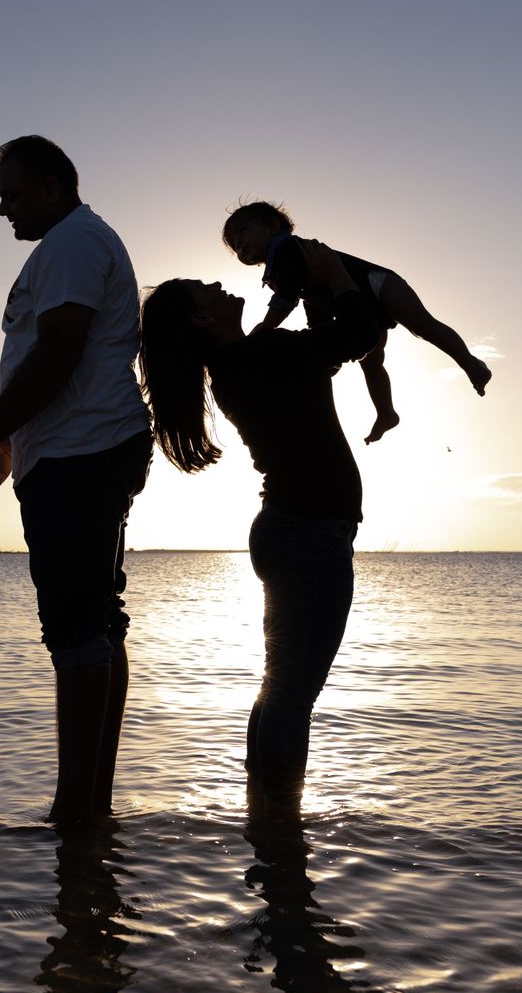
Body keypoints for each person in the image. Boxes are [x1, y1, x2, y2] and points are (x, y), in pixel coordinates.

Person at [0, 136, 151, 823]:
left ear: (53, 186)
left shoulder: (71, 243)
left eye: (13, 195)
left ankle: (75, 815)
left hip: (81, 454)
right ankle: (90, 809)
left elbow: (57, 355)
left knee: (77, 629)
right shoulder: (65, 245)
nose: (3, 211)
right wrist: (4, 440)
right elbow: (48, 360)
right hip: (75, 450)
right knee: (96, 624)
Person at [139, 242, 379, 818]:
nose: (220, 288)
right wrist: (333, 272)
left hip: (292, 532)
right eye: (207, 290)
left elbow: (325, 347)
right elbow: (360, 332)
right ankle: (280, 825)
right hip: (308, 533)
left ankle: (264, 816)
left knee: (281, 685)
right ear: (201, 318)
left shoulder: (241, 364)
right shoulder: (261, 355)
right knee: (294, 693)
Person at [222, 201, 492, 444]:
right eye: (235, 245)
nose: (240, 244)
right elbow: (312, 298)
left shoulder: (288, 249)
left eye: (243, 231)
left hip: (375, 282)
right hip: (356, 305)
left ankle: (470, 363)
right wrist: (321, 334)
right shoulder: (277, 269)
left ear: (272, 225)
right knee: (372, 361)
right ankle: (386, 412)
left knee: (423, 326)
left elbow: (289, 294)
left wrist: (267, 326)